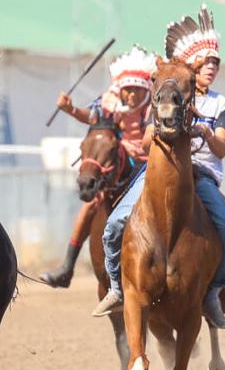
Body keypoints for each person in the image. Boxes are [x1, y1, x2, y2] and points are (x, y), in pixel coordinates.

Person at [92, 5, 225, 329]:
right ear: (192, 68)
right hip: (157, 172)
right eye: (206, 63)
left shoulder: (222, 105)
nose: (211, 68)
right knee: (115, 224)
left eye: (216, 63)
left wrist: (204, 130)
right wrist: (158, 130)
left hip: (200, 175)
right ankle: (117, 288)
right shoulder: (166, 97)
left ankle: (214, 291)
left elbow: (221, 149)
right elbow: (146, 143)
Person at [40, 46, 156, 288]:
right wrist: (70, 108)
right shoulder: (111, 100)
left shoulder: (155, 103)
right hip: (119, 159)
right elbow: (92, 117)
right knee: (92, 205)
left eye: (136, 89)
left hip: (150, 162)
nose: (132, 95)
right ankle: (67, 267)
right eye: (128, 89)